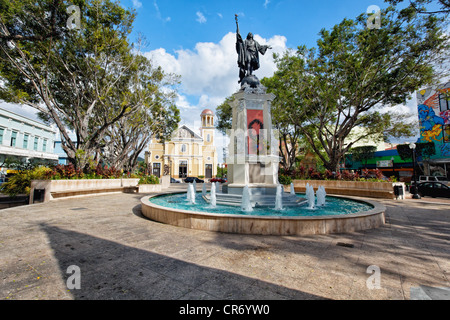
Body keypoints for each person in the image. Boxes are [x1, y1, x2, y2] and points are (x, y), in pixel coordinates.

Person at [235, 15, 271, 84]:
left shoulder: (255, 42)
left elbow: (260, 47)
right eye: (249, 34)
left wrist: (266, 46)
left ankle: (250, 73)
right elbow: (241, 43)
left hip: (253, 53)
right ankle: (248, 73)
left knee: (252, 63)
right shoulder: (245, 41)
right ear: (248, 36)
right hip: (247, 52)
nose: (250, 34)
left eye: (251, 34)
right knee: (248, 61)